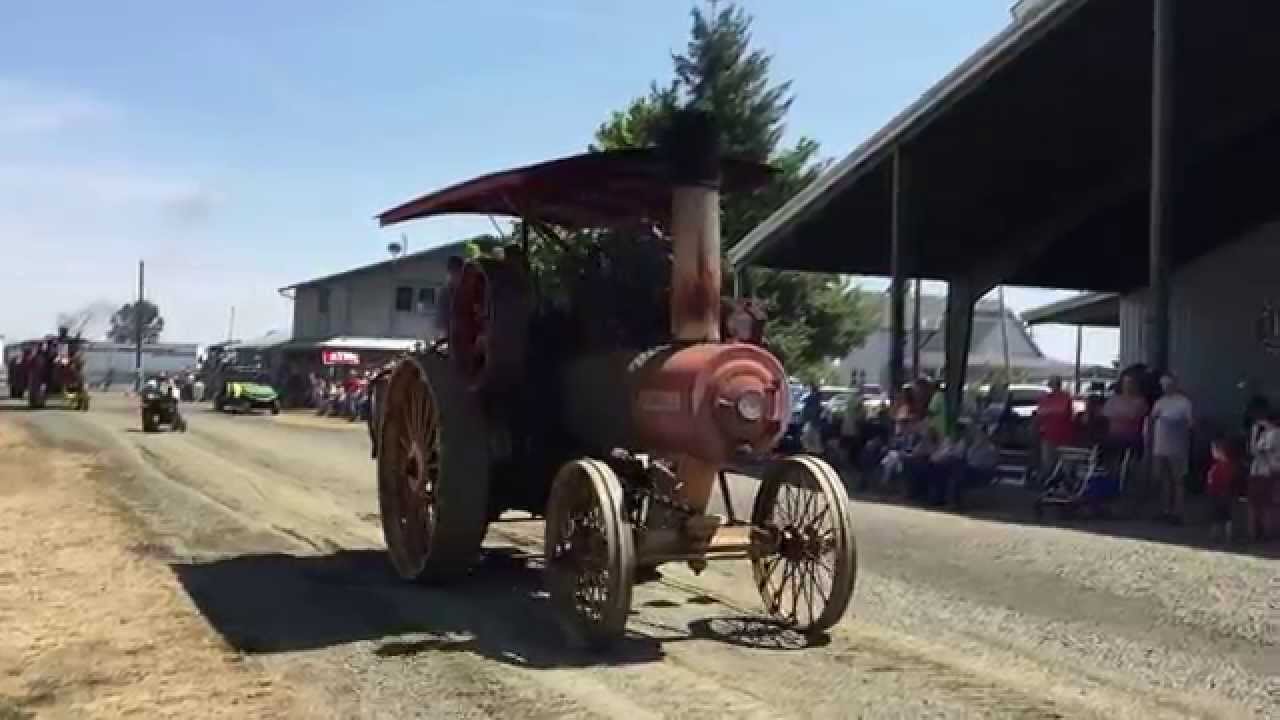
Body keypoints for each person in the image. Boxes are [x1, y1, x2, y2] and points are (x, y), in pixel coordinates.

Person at [1147, 373, 1194, 524]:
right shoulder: (1160, 402)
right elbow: (1151, 421)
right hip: (1160, 446)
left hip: (1177, 446)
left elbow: (1190, 424)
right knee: (1163, 479)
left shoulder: (1184, 402)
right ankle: (1165, 510)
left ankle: (1178, 512)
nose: (1166, 388)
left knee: (1178, 479)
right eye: (1164, 385)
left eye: (1169, 385)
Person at [1247, 409, 1280, 542]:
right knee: (1258, 503)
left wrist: (1254, 434)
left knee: (1265, 503)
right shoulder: (1266, 434)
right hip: (1260, 470)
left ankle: (1266, 532)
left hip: (1267, 471)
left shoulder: (1275, 434)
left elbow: (1258, 451)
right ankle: (1258, 531)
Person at [1206, 434, 1246, 543]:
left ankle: (1216, 535)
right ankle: (1228, 535)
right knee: (1227, 517)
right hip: (1227, 494)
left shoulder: (1219, 467)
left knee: (1217, 516)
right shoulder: (1233, 466)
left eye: (1214, 450)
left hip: (1219, 495)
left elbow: (1214, 482)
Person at [1035, 375, 1075, 482]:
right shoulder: (1048, 399)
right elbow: (1040, 416)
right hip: (1051, 435)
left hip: (1060, 435)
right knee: (1050, 462)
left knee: (1059, 461)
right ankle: (1053, 481)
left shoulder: (1063, 398)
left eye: (1053, 383)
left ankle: (1063, 481)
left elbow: (1040, 415)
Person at [437, 255, 465, 341]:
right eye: (452, 271)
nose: (454, 274)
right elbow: (442, 311)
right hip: (453, 331)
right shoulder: (446, 290)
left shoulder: (468, 288)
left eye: (457, 271)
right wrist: (444, 330)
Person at [800, 382, 825, 454]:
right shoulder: (815, 397)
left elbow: (805, 401)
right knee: (811, 437)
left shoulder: (813, 397)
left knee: (808, 437)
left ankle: (816, 451)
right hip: (813, 421)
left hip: (813, 421)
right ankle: (815, 450)